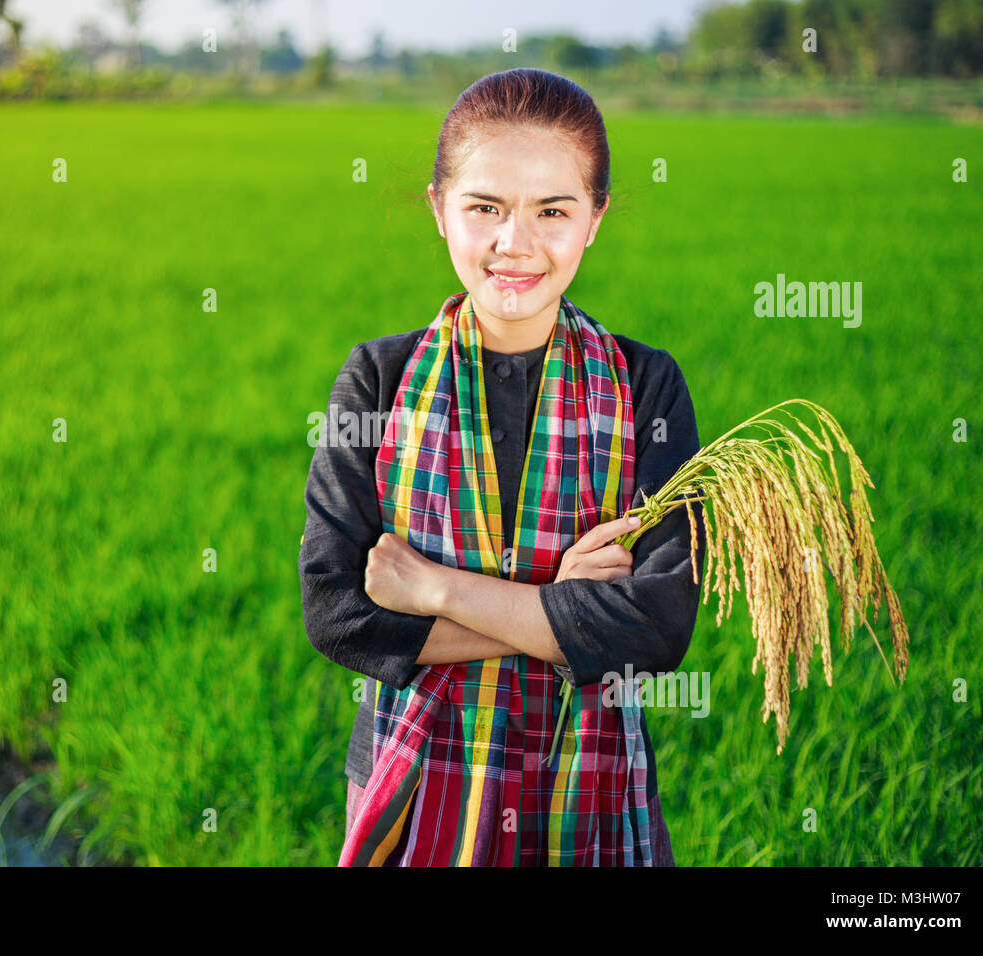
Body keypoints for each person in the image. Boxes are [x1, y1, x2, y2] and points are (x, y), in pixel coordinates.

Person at [298, 68, 705, 866]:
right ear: (438, 209)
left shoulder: (646, 385)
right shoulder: (378, 380)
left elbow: (656, 626)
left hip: (595, 785)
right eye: (485, 207)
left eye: (553, 210)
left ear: (594, 220)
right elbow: (338, 611)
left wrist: (439, 591)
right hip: (410, 782)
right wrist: (562, 611)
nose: (514, 243)